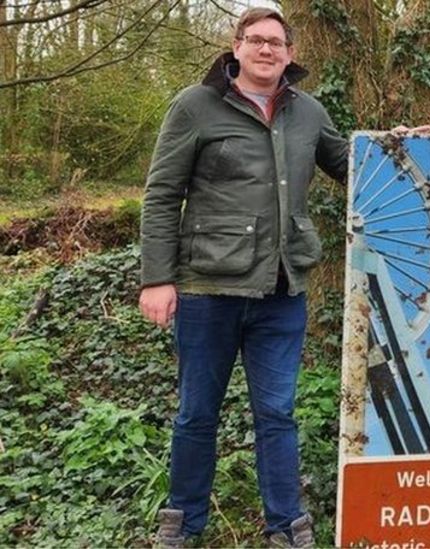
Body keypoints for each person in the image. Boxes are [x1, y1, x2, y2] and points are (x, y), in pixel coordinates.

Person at [139, 8, 348, 548]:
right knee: (196, 413)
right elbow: (162, 195)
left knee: (277, 413)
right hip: (208, 288)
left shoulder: (309, 112)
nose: (266, 50)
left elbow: (351, 165)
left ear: (290, 54)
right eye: (255, 39)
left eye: (276, 42)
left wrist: (400, 145)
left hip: (282, 292)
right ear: (235, 46)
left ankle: (288, 525)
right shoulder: (196, 105)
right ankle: (182, 521)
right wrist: (156, 278)